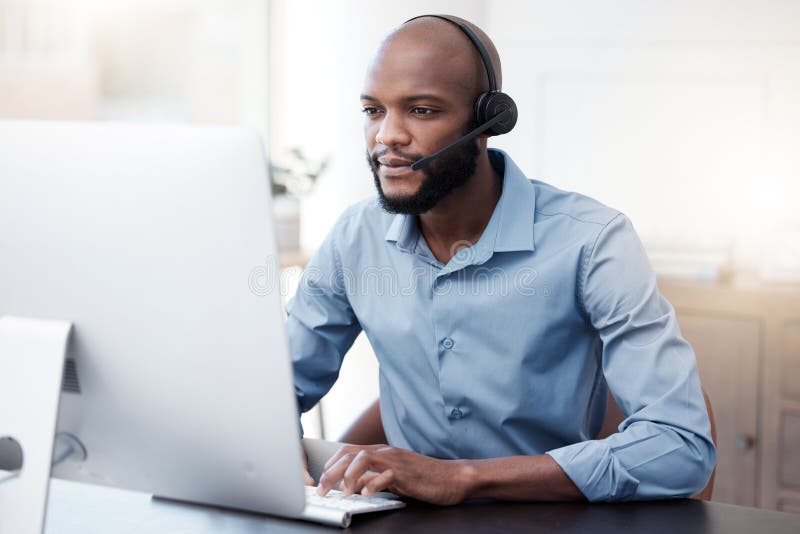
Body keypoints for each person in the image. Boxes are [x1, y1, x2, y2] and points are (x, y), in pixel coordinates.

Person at [286, 14, 716, 505]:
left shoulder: (593, 242)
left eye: (422, 110)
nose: (387, 136)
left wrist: (463, 477)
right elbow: (276, 385)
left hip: (551, 518)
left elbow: (681, 447)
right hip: (403, 519)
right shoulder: (354, 236)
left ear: (490, 119)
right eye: (373, 110)